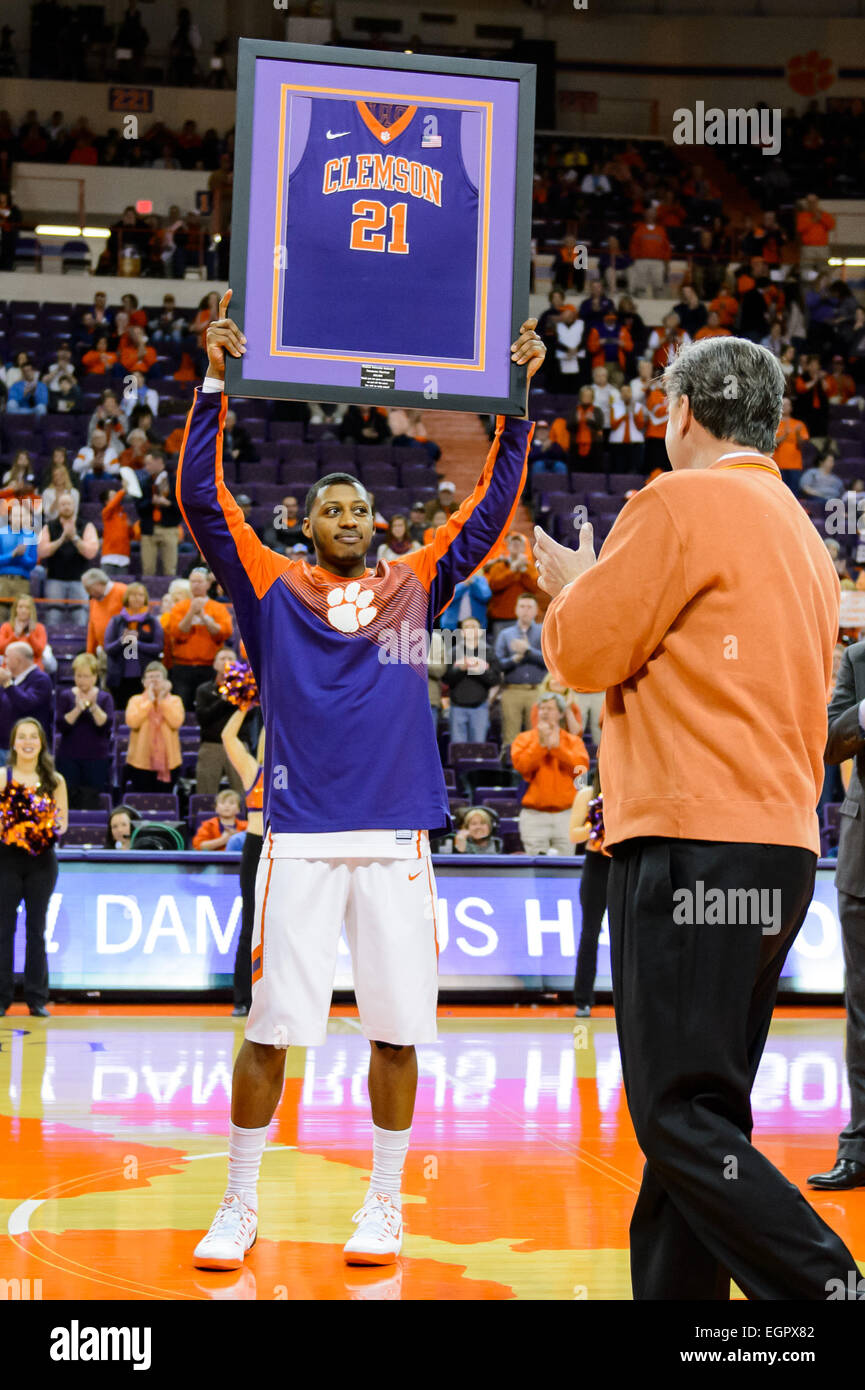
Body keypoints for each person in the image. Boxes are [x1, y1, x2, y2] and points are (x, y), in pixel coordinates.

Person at [181, 290, 541, 1270]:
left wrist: (516, 399)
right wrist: (214, 377)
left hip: (393, 836)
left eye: (359, 508)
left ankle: (383, 1203)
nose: (347, 516)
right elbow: (203, 501)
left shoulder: (414, 581)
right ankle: (239, 1200)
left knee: (394, 1030)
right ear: (306, 523)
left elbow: (489, 505)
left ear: (377, 523)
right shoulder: (269, 586)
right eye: (330, 508)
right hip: (296, 831)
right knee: (271, 1028)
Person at [535, 333, 858, 1299]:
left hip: (690, 843)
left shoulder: (677, 500)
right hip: (780, 849)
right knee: (705, 1115)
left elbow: (583, 656)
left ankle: (827, 1287)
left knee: (676, 1116)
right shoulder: (802, 530)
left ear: (681, 413)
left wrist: (573, 589)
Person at [810, 639, 865, 1191]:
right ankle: (861, 1147)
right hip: (863, 864)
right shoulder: (858, 661)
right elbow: (825, 744)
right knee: (863, 1012)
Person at [0, 718, 68, 1017]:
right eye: (22, 737)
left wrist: (43, 828)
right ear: (14, 743)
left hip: (42, 860)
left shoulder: (55, 780)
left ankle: (36, 998)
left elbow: (63, 822)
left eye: (33, 737)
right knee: (3, 929)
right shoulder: (3, 776)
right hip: (7, 859)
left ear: (41, 743)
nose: (28, 742)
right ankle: (1, 998)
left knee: (36, 929)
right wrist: (15, 828)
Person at [219, 704, 265, 1017]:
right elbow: (227, 736)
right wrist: (245, 705)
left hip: (285, 849)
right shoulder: (253, 770)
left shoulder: (302, 771)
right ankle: (241, 997)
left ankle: (275, 997)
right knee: (250, 923)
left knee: (283, 926)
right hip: (255, 846)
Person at [511, 695, 588, 855]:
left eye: (550, 708)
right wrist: (541, 745)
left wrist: (557, 749)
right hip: (534, 815)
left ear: (560, 714)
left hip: (566, 814)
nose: (545, 712)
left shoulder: (573, 741)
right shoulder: (523, 739)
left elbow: (581, 769)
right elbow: (522, 766)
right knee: (535, 866)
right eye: (542, 708)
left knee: (565, 867)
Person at [163, 566, 233, 709]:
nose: (196, 585)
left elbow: (225, 632)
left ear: (208, 584)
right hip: (183, 667)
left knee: (209, 708)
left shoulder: (218, 608)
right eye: (193, 581)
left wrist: (204, 618)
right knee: (181, 707)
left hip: (209, 667)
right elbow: (176, 632)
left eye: (200, 581)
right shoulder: (179, 607)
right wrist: (191, 613)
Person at [569, 764, 609, 1016]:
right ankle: (583, 998)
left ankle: (628, 998)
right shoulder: (586, 795)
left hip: (622, 862)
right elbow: (573, 835)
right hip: (596, 866)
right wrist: (594, 825)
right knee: (590, 933)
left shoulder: (626, 791)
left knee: (625, 937)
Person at [55, 653, 114, 807]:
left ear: (95, 677)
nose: (82, 680)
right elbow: (61, 725)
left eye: (86, 676)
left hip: (96, 758)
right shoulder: (65, 696)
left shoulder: (105, 698)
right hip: (69, 757)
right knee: (68, 799)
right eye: (79, 676)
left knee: (91, 800)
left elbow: (105, 724)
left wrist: (93, 707)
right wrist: (77, 709)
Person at [36, 492, 99, 627]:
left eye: (69, 504)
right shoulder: (49, 526)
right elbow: (41, 551)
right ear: (58, 507)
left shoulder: (86, 525)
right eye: (63, 504)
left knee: (81, 616)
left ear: (74, 505)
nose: (66, 507)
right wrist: (61, 539)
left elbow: (91, 552)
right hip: (55, 579)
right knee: (53, 615)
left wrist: (75, 538)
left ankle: (81, 647)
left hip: (80, 580)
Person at [194, 647, 248, 797]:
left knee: (245, 791)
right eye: (222, 659)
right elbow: (203, 718)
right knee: (205, 792)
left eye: (230, 659)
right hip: (212, 745)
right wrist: (223, 700)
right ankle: (205, 820)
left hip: (238, 745)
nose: (226, 662)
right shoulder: (204, 690)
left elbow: (250, 718)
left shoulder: (246, 688)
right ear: (214, 664)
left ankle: (246, 820)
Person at [123, 662, 185, 792]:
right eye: (150, 677)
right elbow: (132, 722)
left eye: (158, 677)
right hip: (140, 763)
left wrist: (162, 702)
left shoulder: (175, 700)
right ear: (144, 682)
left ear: (165, 681)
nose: (154, 680)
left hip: (169, 763)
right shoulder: (135, 700)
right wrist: (149, 702)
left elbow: (176, 722)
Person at [494, 595, 547, 745]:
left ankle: (534, 767)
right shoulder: (506, 634)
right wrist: (514, 659)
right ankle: (509, 767)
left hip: (537, 691)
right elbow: (498, 664)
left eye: (530, 607)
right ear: (516, 610)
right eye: (522, 606)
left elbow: (549, 661)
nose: (526, 611)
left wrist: (528, 651)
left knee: (536, 737)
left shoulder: (543, 631)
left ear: (536, 610)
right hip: (512, 690)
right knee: (510, 737)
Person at [102, 581, 163, 712]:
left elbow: (158, 647)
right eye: (133, 595)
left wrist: (137, 644)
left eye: (140, 595)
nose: (137, 598)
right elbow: (108, 648)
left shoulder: (152, 621)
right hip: (119, 676)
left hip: (144, 676)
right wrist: (122, 640)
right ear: (127, 598)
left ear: (145, 598)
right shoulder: (116, 621)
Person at [442, 617, 500, 744]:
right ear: (461, 632)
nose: (470, 630)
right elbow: (446, 679)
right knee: (458, 751)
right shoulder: (453, 652)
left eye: (474, 626)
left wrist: (477, 669)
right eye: (467, 627)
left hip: (480, 707)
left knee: (478, 750)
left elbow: (495, 679)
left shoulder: (488, 652)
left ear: (480, 631)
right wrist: (461, 668)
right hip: (457, 707)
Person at [0, 643, 54, 759]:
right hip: (4, 745)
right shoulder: (10, 680)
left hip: (28, 748)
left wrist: (7, 684)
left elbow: (27, 704)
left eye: (7, 656)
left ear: (18, 660)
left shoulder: (41, 679)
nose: (5, 661)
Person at [0, 595, 47, 669]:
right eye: (20, 607)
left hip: (32, 668)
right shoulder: (6, 627)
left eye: (27, 608)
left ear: (32, 610)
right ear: (15, 609)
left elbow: (39, 652)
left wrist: (30, 635)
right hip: (10, 668)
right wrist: (15, 635)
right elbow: (1, 650)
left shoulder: (39, 628)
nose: (23, 610)